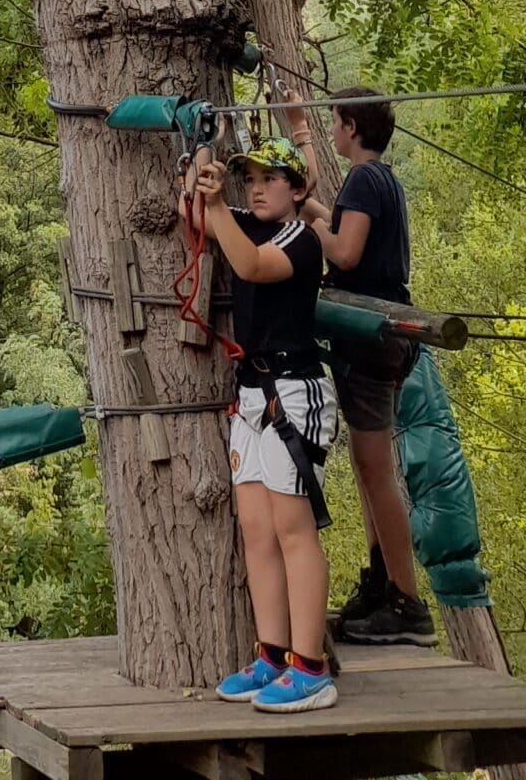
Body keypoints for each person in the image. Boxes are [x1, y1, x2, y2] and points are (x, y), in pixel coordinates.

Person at [194, 138, 338, 715]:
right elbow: (209, 223)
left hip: (293, 395)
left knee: (292, 528)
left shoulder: (301, 243)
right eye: (247, 177)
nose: (254, 186)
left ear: (297, 190)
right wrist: (201, 177)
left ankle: (311, 667)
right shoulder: (249, 227)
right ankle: (272, 654)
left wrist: (212, 208)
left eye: (270, 178)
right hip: (251, 393)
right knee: (256, 527)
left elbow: (251, 266)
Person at [292, 89, 435, 646]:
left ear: (350, 126)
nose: (332, 131)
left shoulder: (363, 180)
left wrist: (314, 231)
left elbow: (346, 254)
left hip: (372, 337)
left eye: (333, 123)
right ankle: (381, 583)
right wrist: (318, 213)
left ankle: (406, 600)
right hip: (386, 336)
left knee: (376, 469)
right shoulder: (382, 182)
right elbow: (350, 232)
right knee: (368, 466)